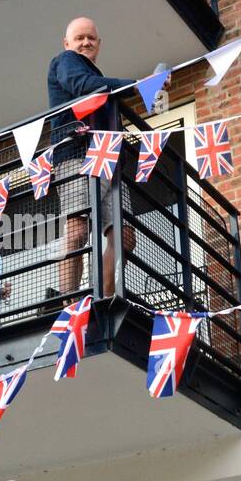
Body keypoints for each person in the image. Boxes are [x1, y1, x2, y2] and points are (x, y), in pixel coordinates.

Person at [46, 16, 142, 300]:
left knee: (125, 237)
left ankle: (102, 298)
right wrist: (138, 85)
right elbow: (83, 84)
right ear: (67, 44)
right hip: (76, 154)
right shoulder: (65, 61)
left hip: (109, 160)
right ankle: (70, 302)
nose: (85, 42)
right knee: (77, 231)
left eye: (90, 38)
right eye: (79, 38)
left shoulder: (98, 78)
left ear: (99, 44)